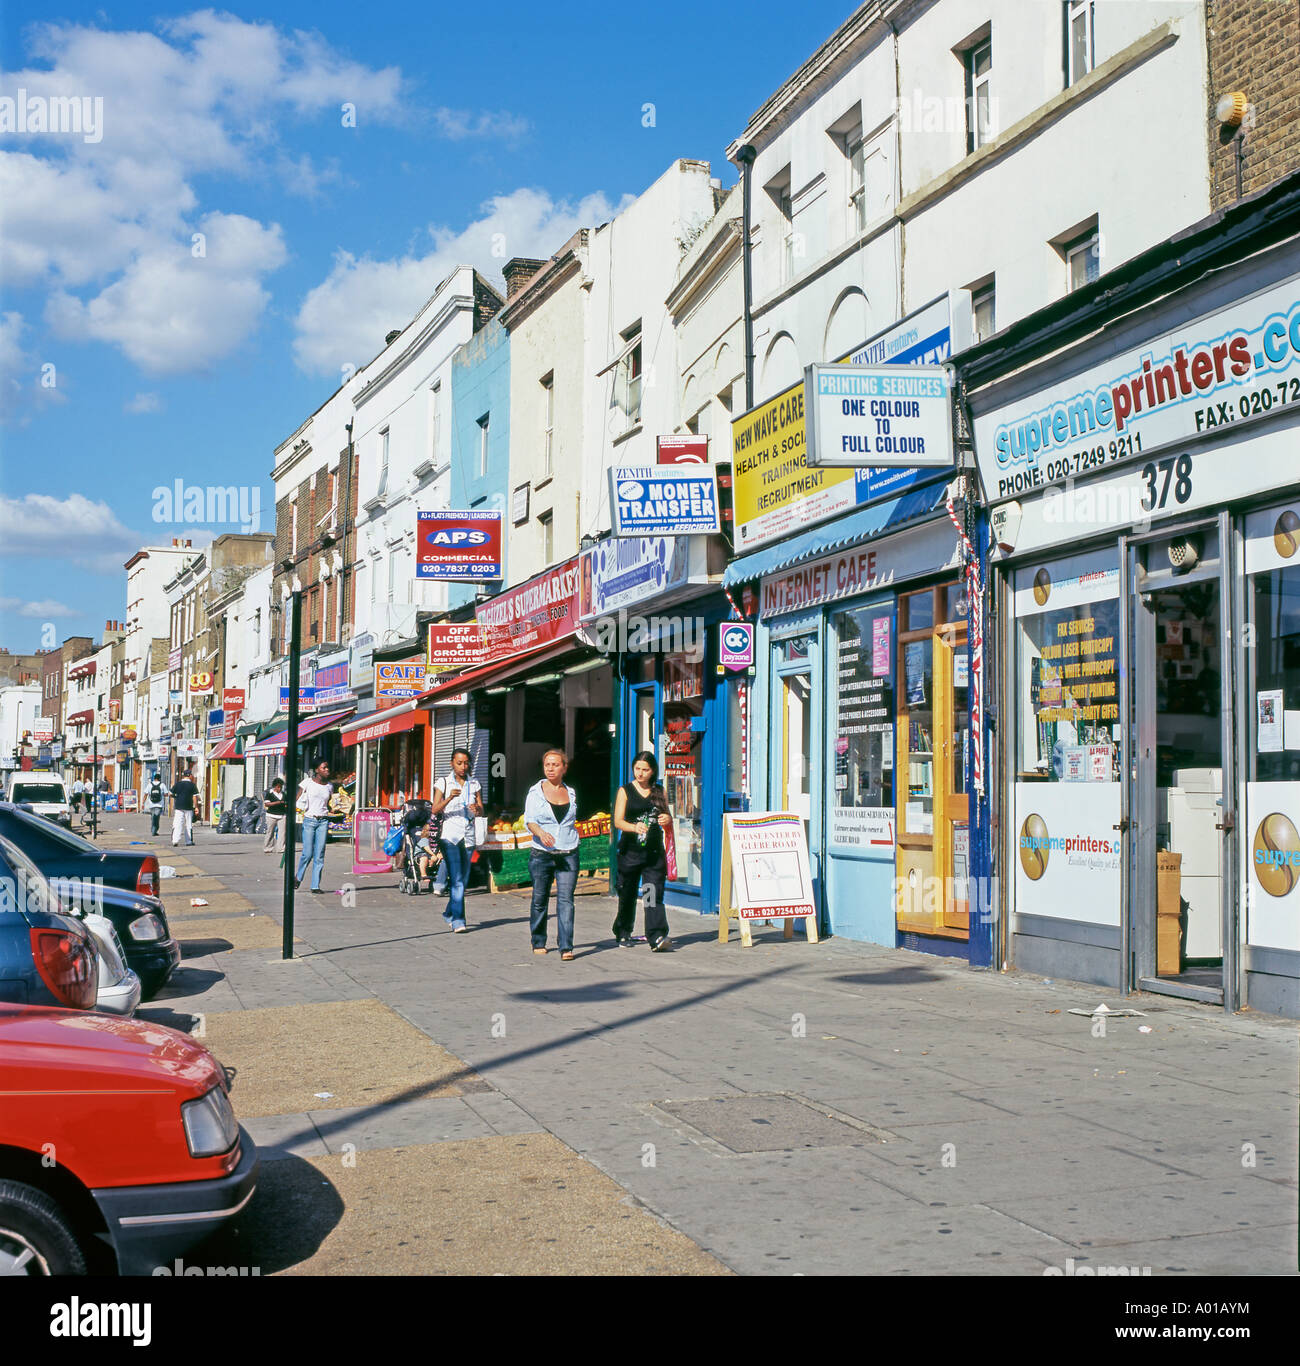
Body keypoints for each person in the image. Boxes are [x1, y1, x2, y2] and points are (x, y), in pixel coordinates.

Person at [612, 750, 673, 951]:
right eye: (637, 768)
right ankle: (623, 932)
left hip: (653, 853)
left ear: (652, 771)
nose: (640, 773)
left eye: (645, 770)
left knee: (652, 893)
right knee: (627, 893)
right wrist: (633, 827)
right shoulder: (626, 790)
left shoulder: (659, 791)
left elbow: (666, 817)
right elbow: (618, 821)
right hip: (630, 851)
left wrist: (667, 820)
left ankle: (656, 936)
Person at [524, 749, 580, 960]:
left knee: (566, 900)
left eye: (555, 764)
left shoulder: (572, 792)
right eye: (547, 764)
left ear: (564, 767)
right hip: (542, 853)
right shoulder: (535, 792)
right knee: (540, 898)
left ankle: (566, 946)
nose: (550, 768)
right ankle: (538, 940)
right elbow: (529, 820)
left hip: (568, 851)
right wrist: (541, 833)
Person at [431, 749, 482, 933]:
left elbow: (481, 810)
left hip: (468, 835)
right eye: (459, 763)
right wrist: (449, 797)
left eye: (466, 763)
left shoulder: (474, 784)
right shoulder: (443, 782)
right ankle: (459, 920)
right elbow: (435, 809)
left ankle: (448, 913)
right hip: (450, 836)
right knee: (457, 879)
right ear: (452, 763)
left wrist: (476, 808)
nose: (463, 767)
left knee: (464, 878)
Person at [295, 761, 333, 893]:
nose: (327, 770)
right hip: (310, 820)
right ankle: (298, 877)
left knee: (320, 854)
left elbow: (328, 804)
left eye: (327, 767)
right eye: (324, 767)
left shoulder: (329, 786)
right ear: (317, 770)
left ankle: (315, 885)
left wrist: (332, 811)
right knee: (307, 853)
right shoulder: (307, 783)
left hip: (323, 821)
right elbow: (297, 799)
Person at [170, 766, 199, 847]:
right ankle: (189, 841)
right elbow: (194, 797)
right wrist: (196, 807)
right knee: (188, 824)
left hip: (178, 806)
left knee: (177, 823)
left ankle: (175, 840)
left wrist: (177, 797)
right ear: (189, 775)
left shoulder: (178, 784)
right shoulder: (192, 785)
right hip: (188, 807)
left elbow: (170, 793)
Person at [263, 777, 287, 853]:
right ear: (275, 786)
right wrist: (278, 803)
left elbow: (286, 803)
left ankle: (281, 848)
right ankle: (268, 848)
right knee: (270, 832)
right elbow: (267, 804)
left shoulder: (283, 794)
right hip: (271, 816)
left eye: (281, 787)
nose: (279, 788)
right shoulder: (269, 794)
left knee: (282, 833)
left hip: (282, 816)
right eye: (278, 787)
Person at [144, 772, 165, 837]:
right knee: (157, 817)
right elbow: (166, 794)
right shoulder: (162, 785)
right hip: (159, 804)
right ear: (159, 778)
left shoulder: (149, 785)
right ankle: (154, 830)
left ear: (154, 778)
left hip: (151, 804)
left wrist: (143, 803)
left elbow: (145, 794)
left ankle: (153, 830)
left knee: (153, 817)